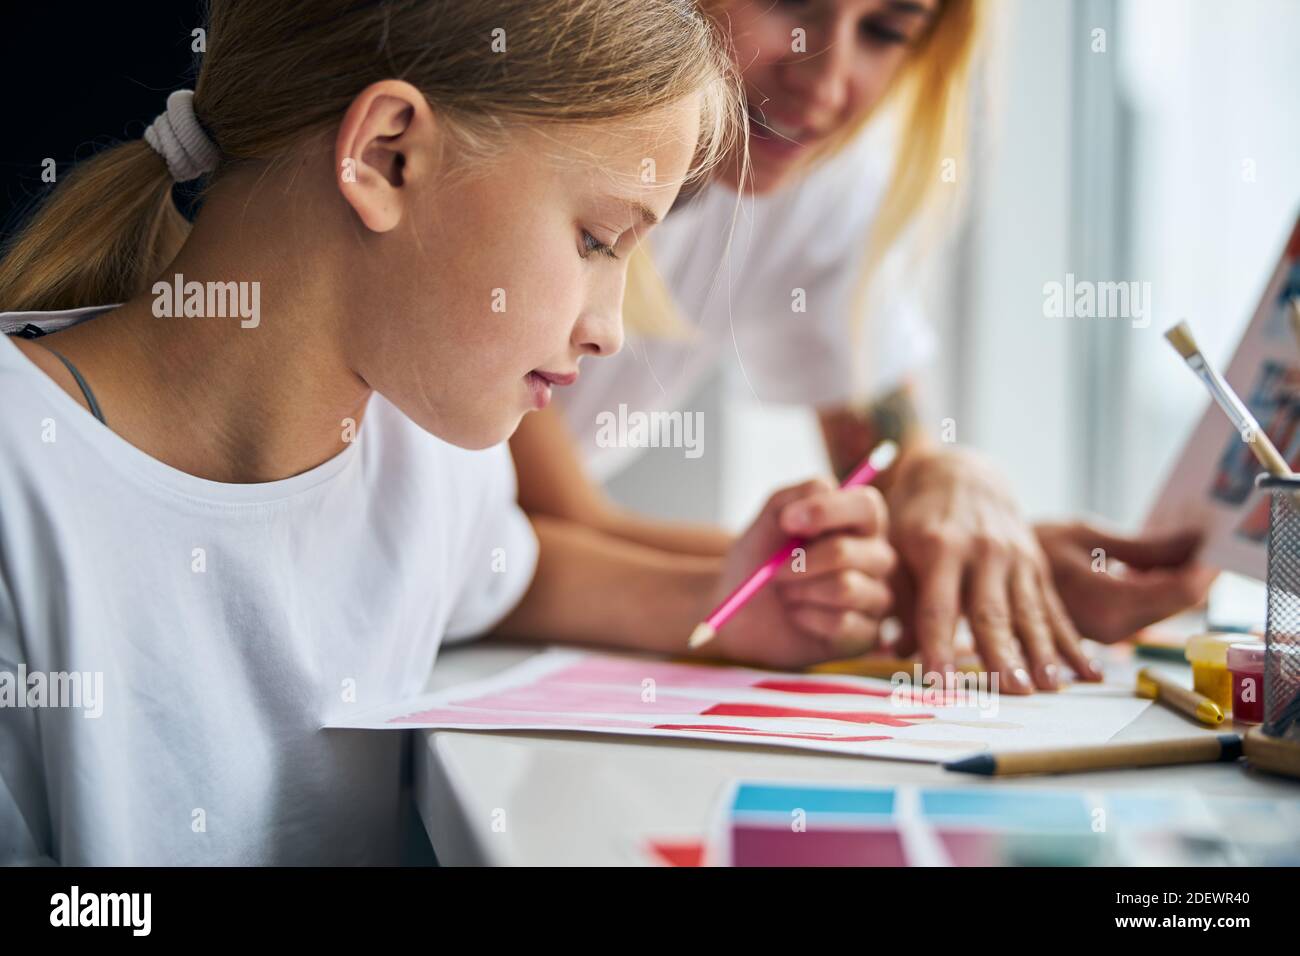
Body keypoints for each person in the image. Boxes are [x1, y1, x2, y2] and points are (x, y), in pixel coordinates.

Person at [0, 0, 899, 864]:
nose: (610, 330)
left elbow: (514, 572)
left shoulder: (422, 458)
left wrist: (736, 602)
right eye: (596, 239)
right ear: (388, 157)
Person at [511, 0, 1217, 694]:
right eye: (788, 5)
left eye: (885, 30)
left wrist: (980, 543)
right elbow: (547, 523)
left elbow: (890, 487)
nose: (825, 83)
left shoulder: (820, 177)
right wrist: (885, 582)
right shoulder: (526, 141)